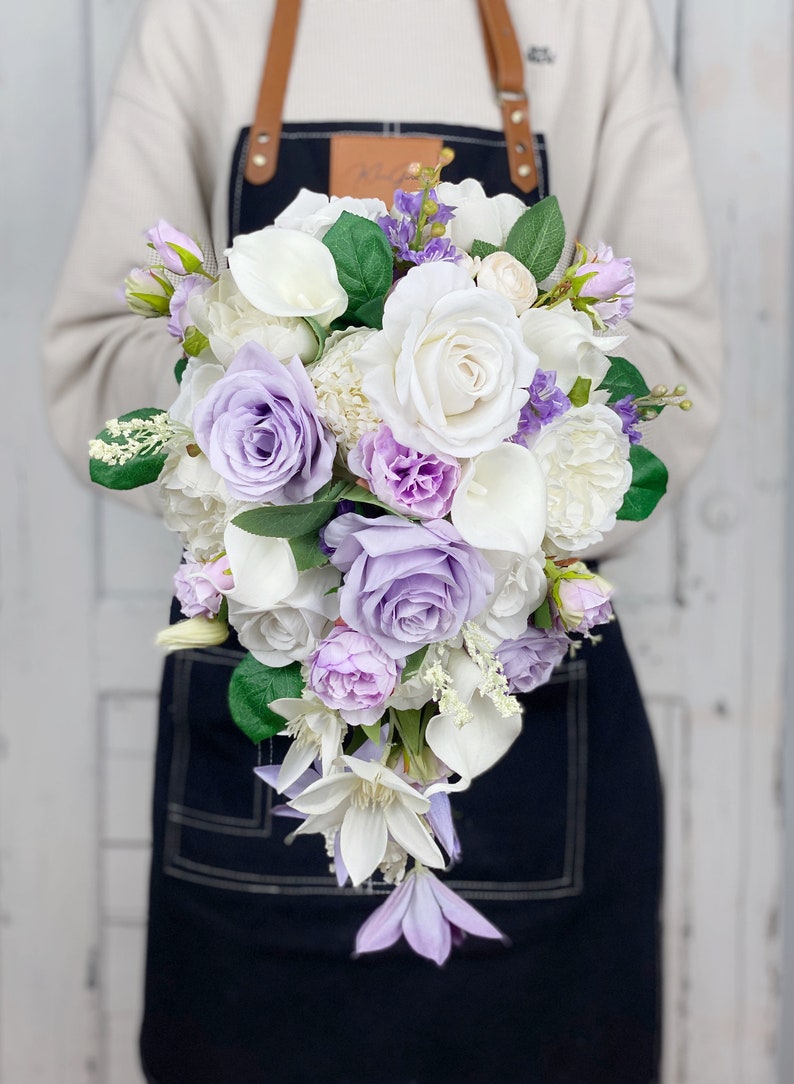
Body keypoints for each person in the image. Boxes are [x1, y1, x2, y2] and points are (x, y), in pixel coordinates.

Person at [43, 2, 722, 1081]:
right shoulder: (200, 18)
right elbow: (91, 375)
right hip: (262, 754)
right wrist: (297, 403)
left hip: (528, 749)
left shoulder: (590, 18)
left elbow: (673, 381)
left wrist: (454, 465)